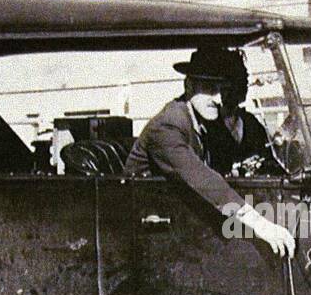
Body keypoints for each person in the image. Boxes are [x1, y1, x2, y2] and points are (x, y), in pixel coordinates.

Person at [123, 48, 295, 258]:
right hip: (145, 233)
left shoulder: (203, 119)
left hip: (180, 225)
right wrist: (261, 225)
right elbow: (203, 179)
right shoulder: (168, 125)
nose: (218, 99)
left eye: (222, 90)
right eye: (209, 88)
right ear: (189, 86)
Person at [203, 75, 283, 177]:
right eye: (227, 89)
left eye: (237, 88)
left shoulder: (250, 122)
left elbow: (268, 155)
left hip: (251, 189)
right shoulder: (210, 125)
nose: (232, 94)